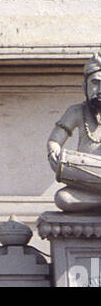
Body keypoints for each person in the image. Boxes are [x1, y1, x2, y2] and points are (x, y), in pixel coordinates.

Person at [47, 52, 101, 212]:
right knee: (63, 199)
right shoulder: (77, 111)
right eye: (96, 83)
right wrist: (53, 152)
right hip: (85, 181)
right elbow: (55, 140)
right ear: (85, 86)